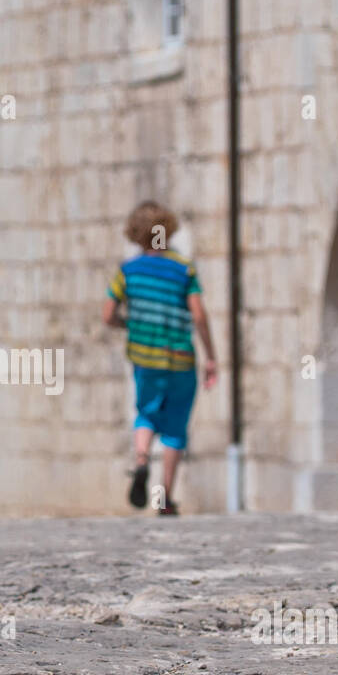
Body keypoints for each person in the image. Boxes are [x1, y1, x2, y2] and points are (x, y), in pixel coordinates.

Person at [103, 200, 217, 515]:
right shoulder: (183, 269)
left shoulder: (127, 272)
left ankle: (141, 460)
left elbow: (108, 315)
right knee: (175, 428)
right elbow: (199, 315)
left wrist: (130, 324)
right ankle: (165, 498)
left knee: (146, 414)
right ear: (166, 231)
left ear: (135, 234)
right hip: (180, 356)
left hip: (144, 357)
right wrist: (211, 357)